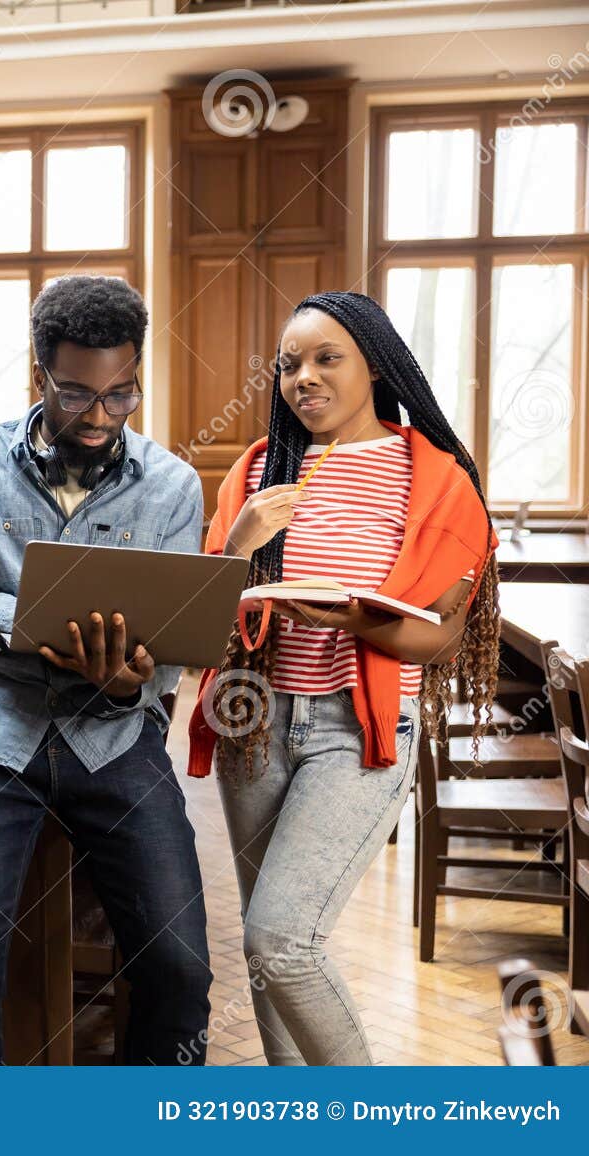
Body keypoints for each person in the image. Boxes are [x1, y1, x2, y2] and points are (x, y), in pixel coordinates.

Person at [187, 290, 500, 1066]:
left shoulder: (432, 475)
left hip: (357, 729)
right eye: (290, 364)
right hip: (252, 721)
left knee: (282, 937)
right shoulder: (260, 470)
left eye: (328, 359)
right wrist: (241, 543)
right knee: (268, 960)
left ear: (375, 365)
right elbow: (201, 616)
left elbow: (442, 634)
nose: (305, 378)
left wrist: (357, 622)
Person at [0, 274, 213, 1064]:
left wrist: (132, 680)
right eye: (78, 395)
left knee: (179, 967)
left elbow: (177, 633)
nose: (100, 418)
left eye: (122, 396)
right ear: (38, 376)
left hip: (114, 737)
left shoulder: (176, 485)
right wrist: (21, 624)